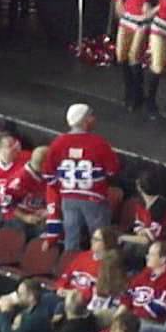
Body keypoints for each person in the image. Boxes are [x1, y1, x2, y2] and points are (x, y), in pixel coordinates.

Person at [42, 104, 121, 251]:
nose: (94, 118)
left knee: (71, 240)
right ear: (84, 120)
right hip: (94, 199)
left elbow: (47, 173)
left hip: (68, 200)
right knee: (101, 240)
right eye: (91, 115)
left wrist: (63, 188)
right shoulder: (98, 143)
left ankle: (70, 264)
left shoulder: (58, 142)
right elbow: (113, 170)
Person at [112, 0, 153, 112]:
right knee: (121, 55)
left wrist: (153, 9)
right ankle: (129, 90)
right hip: (127, 18)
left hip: (140, 20)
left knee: (134, 55)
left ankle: (137, 94)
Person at [121, 241, 166, 332]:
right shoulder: (146, 273)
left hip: (154, 322)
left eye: (151, 255)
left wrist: (134, 317)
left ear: (163, 259)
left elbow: (160, 310)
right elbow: (128, 295)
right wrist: (118, 316)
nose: (147, 257)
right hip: (134, 318)